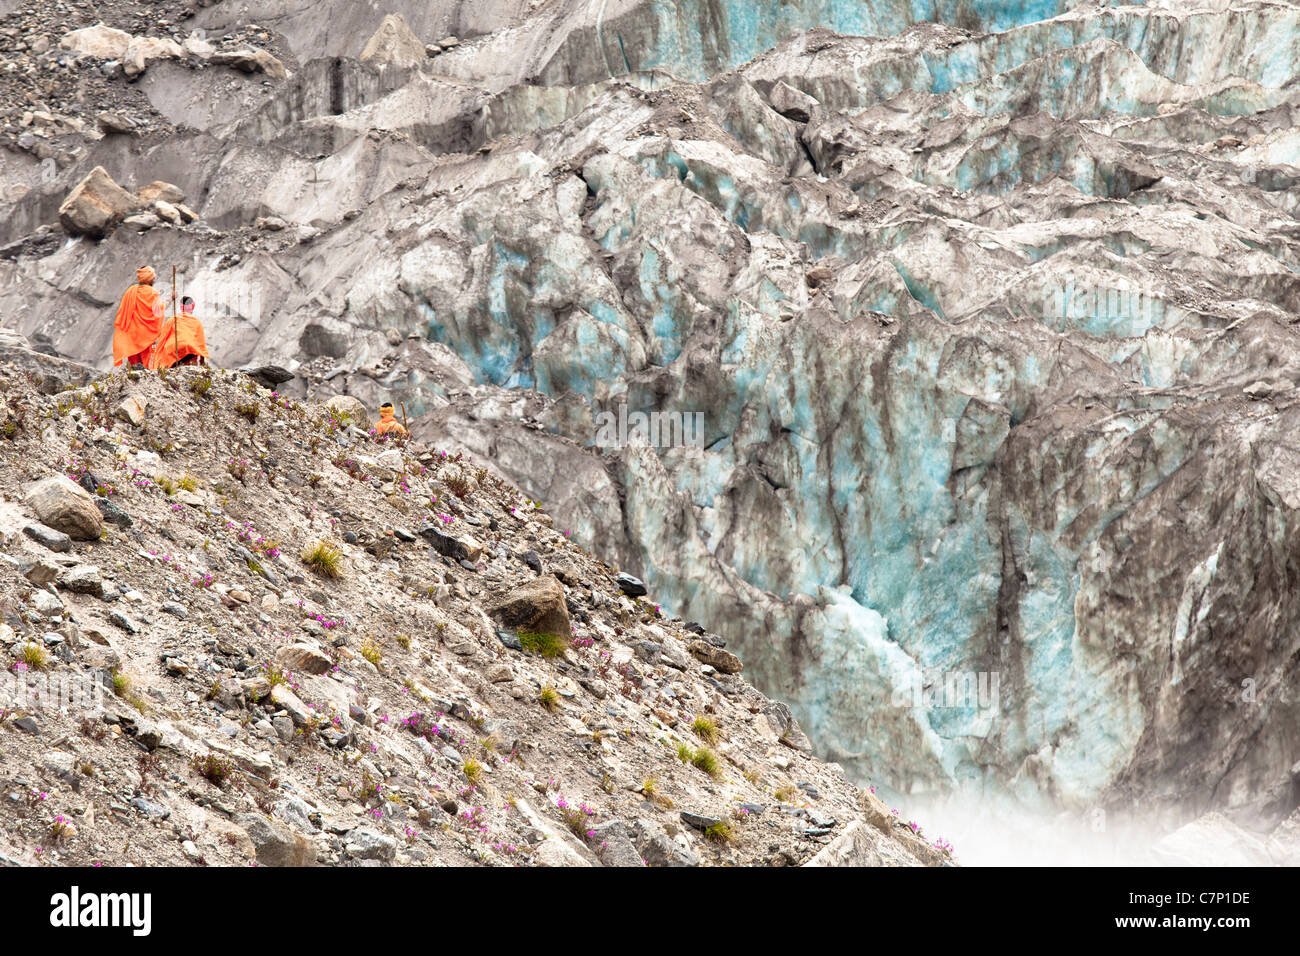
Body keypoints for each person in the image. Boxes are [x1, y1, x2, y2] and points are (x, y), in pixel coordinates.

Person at [112, 266, 164, 367]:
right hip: (147, 336)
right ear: (149, 279)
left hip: (132, 337)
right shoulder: (153, 293)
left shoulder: (130, 292)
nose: (154, 279)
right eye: (153, 277)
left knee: (134, 366)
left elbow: (122, 315)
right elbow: (157, 313)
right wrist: (170, 300)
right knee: (148, 366)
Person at [150, 295, 209, 370]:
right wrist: (202, 363)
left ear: (181, 307)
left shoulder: (172, 320)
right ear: (193, 306)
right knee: (193, 349)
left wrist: (158, 359)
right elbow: (201, 346)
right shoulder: (197, 323)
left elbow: (162, 340)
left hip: (173, 352)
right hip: (189, 353)